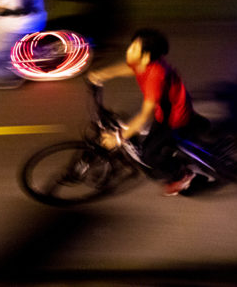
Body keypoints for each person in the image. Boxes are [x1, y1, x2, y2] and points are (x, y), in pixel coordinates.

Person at [87, 28, 209, 196]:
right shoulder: (146, 63)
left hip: (173, 118)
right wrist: (101, 75)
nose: (129, 50)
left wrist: (118, 138)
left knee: (148, 155)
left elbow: (146, 114)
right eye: (131, 45)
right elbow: (130, 68)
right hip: (169, 108)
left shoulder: (155, 75)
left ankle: (182, 175)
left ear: (145, 56)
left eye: (134, 48)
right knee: (132, 127)